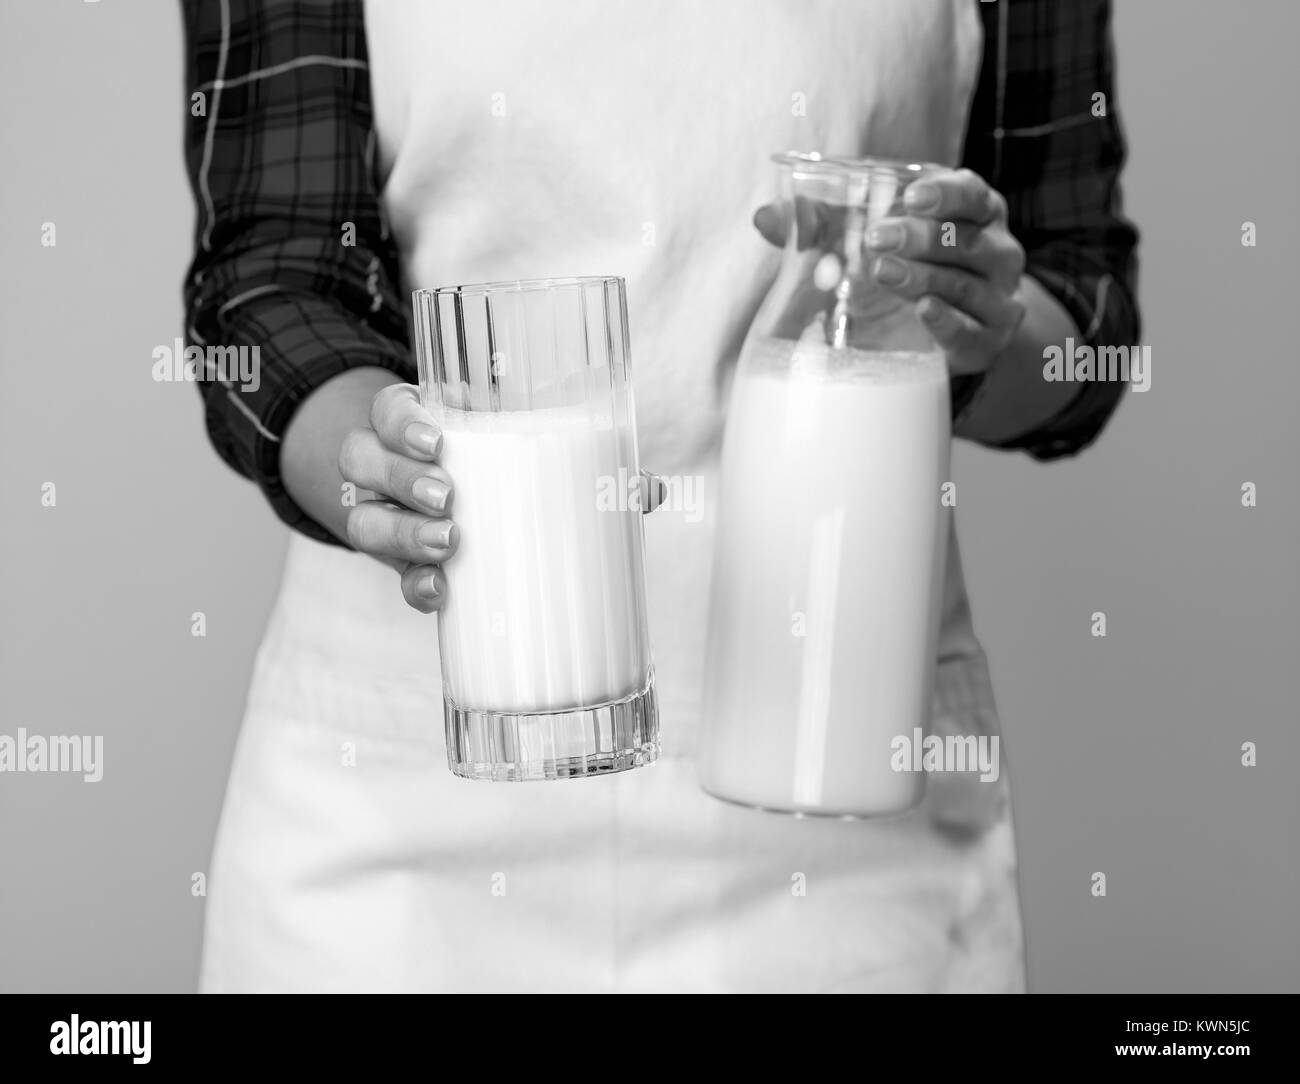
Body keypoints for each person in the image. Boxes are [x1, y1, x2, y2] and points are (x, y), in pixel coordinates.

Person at [181, 0, 1139, 992]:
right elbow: (272, 278)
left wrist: (971, 323)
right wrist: (383, 464)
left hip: (843, 776)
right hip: (400, 800)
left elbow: (1087, 318)